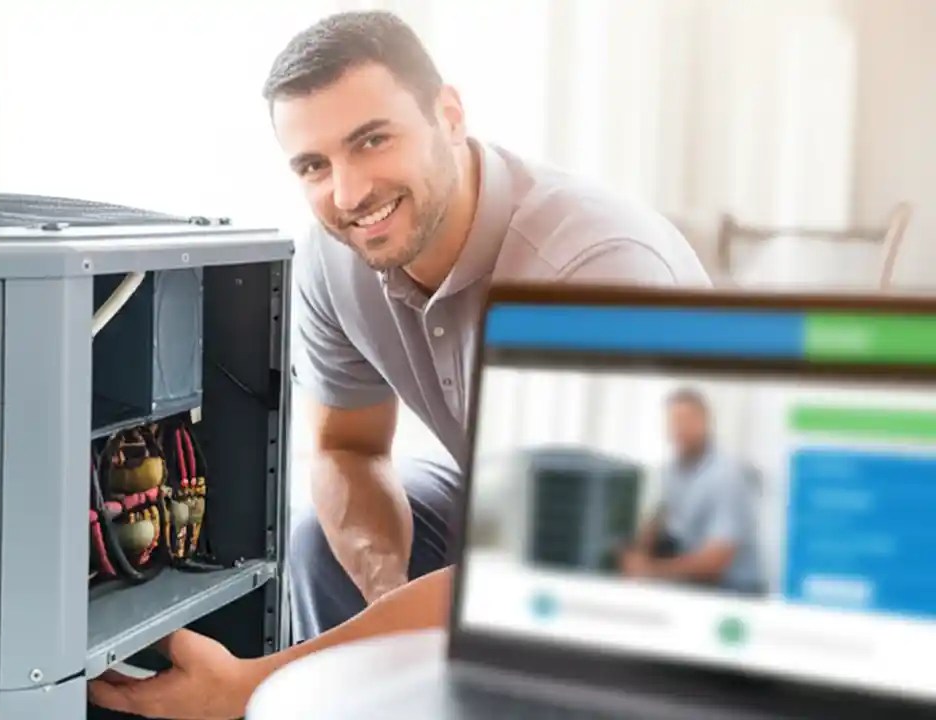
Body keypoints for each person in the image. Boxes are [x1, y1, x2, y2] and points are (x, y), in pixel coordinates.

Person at [89, 10, 711, 718]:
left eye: (372, 140)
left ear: (449, 115)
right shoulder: (337, 257)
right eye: (314, 166)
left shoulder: (593, 271)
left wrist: (254, 686)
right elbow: (346, 446)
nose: (349, 195)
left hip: (666, 573)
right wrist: (384, 610)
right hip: (520, 513)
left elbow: (550, 576)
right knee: (321, 536)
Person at [620, 388, 765, 595]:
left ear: (705, 423)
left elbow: (715, 562)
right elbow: (660, 517)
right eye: (673, 422)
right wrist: (637, 552)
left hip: (734, 589)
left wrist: (650, 570)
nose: (679, 429)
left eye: (686, 420)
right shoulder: (672, 470)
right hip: (698, 583)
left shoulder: (727, 475)